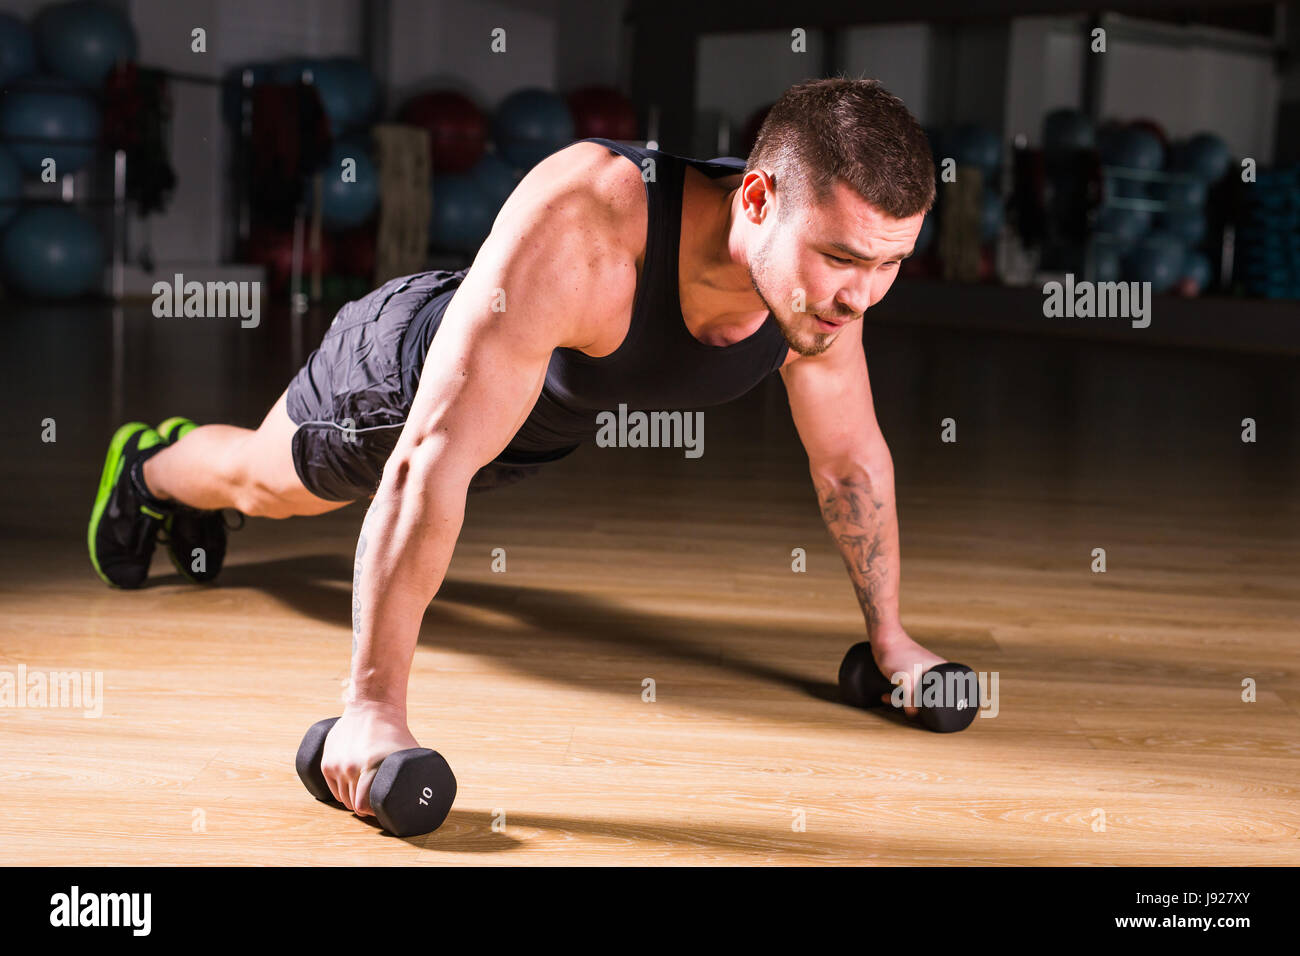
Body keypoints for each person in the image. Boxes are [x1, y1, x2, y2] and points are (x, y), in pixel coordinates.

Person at [88, 77, 944, 820]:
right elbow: (430, 454)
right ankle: (150, 467)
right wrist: (373, 710)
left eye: (890, 265)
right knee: (267, 487)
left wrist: (893, 642)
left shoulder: (820, 302)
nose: (861, 294)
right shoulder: (589, 227)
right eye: (841, 258)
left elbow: (850, 463)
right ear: (756, 200)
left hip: (531, 429)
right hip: (399, 384)